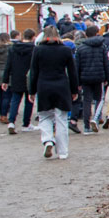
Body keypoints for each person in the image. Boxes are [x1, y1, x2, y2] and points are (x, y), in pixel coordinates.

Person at [27, 26, 79, 159]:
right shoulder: (66, 50)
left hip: (43, 86)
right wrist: (74, 89)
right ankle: (63, 152)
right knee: (61, 119)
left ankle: (48, 140)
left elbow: (33, 72)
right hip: (62, 86)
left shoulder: (38, 50)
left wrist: (31, 91)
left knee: (45, 116)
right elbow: (72, 72)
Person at [76, 24, 109, 134]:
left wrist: (77, 82)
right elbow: (106, 64)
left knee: (86, 100)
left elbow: (77, 66)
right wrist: (108, 78)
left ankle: (86, 126)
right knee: (99, 99)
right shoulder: (102, 46)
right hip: (99, 76)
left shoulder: (80, 48)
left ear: (86, 34)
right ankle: (95, 118)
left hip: (85, 77)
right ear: (97, 33)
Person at [2, 28, 37, 134]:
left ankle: (11, 122)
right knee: (29, 100)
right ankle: (26, 124)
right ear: (33, 37)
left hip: (16, 77)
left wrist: (5, 80)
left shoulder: (13, 49)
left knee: (15, 100)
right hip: (29, 77)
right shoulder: (34, 49)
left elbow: (8, 64)